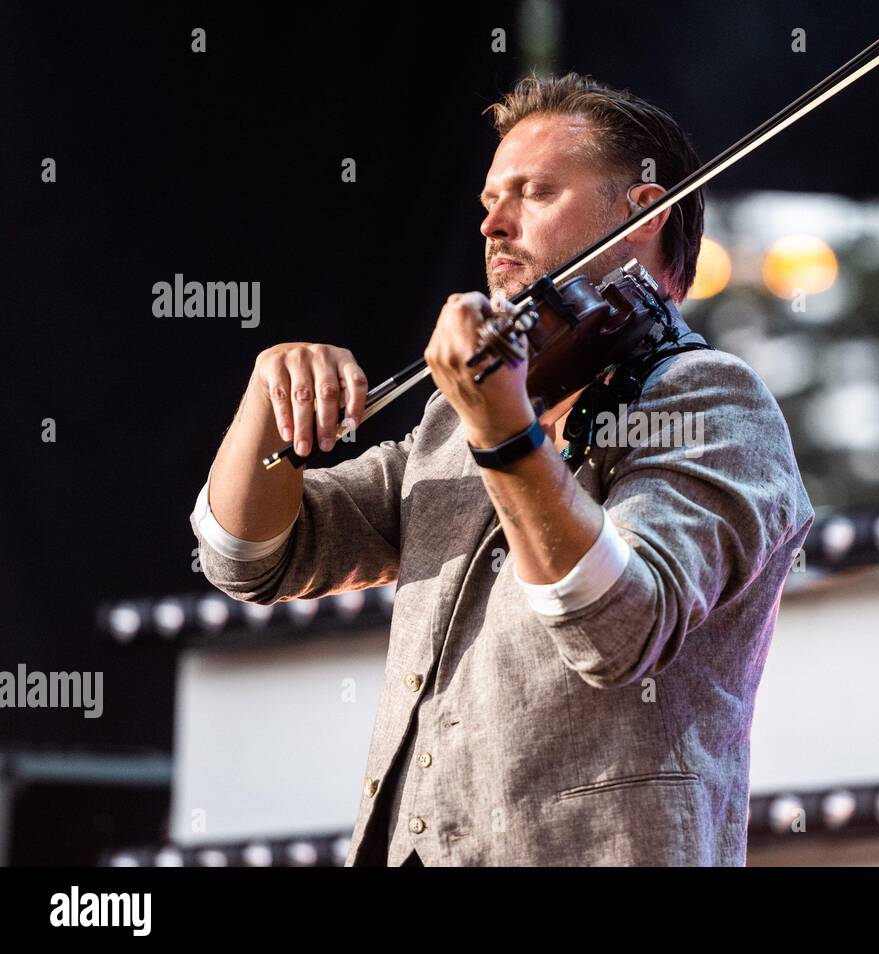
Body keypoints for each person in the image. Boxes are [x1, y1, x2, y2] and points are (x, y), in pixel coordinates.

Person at [190, 72, 814, 866]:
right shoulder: (456, 424)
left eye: (534, 192)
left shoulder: (713, 403)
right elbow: (251, 558)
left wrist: (506, 433)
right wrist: (264, 400)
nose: (495, 224)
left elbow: (620, 627)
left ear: (641, 213)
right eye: (489, 201)